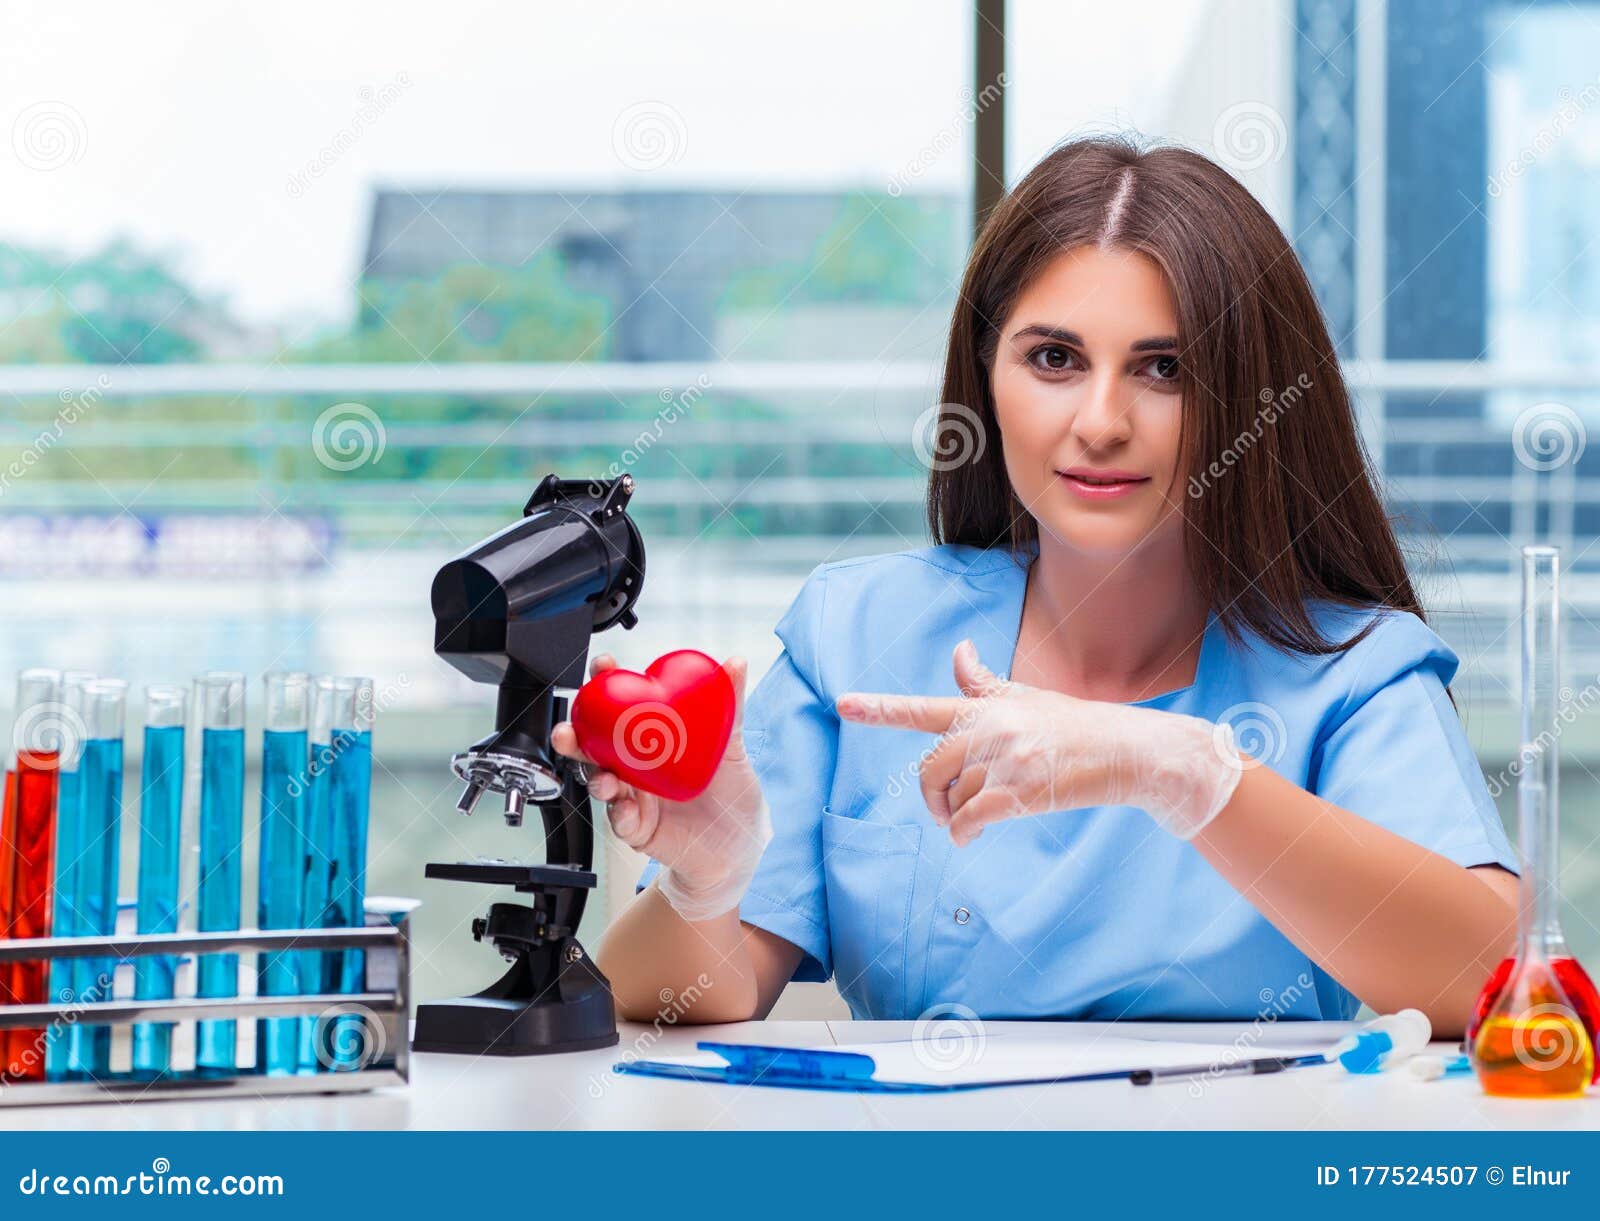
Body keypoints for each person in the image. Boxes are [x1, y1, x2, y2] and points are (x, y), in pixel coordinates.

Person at [552, 135, 1517, 1036]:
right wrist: (706, 883)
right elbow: (686, 993)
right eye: (1054, 358)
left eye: (1166, 369)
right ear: (988, 374)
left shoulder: (1350, 669)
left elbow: (1486, 976)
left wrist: (1178, 770)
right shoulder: (861, 634)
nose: (1100, 422)